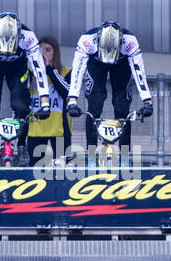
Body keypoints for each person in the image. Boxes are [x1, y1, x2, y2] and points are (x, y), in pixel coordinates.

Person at [0, 12, 51, 165]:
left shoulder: (28, 36)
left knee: (21, 105)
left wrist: (45, 103)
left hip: (17, 67)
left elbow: (39, 70)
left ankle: (21, 144)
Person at [66, 21, 154, 163]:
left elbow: (139, 72)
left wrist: (147, 101)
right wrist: (72, 100)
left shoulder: (130, 41)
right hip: (95, 62)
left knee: (122, 107)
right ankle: (91, 155)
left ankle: (125, 156)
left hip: (122, 62)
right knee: (94, 104)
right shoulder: (86, 40)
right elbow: (77, 70)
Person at [25, 36, 72, 166]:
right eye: (39, 50)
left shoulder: (66, 72)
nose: (43, 53)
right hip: (35, 128)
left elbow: (66, 91)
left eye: (48, 50)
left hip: (59, 128)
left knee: (63, 169)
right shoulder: (30, 73)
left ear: (55, 52)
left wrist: (50, 70)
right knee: (34, 168)